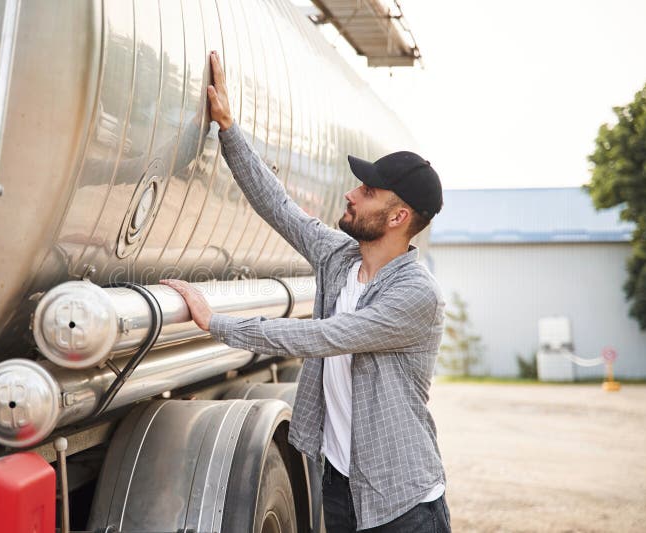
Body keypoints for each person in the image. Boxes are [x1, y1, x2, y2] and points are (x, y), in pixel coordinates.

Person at [161, 51, 450, 533]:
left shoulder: (416, 295)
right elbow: (279, 207)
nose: (351, 195)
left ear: (399, 218)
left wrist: (216, 322)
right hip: (340, 486)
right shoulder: (340, 257)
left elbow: (323, 336)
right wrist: (228, 131)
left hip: (403, 504)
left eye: (368, 192)